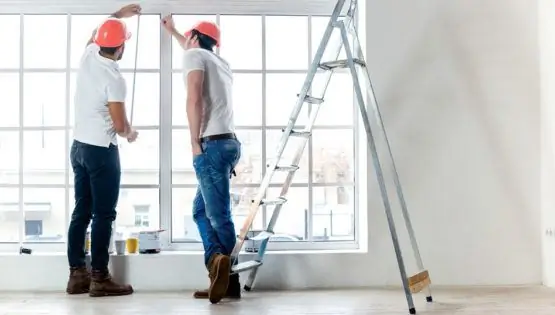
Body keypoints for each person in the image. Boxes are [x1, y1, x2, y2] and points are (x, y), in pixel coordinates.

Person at [162, 15, 242, 304]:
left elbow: (193, 98)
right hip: (230, 144)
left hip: (211, 145)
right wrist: (172, 32)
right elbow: (194, 48)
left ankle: (226, 277)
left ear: (194, 38)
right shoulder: (220, 62)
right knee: (200, 211)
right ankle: (218, 265)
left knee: (219, 216)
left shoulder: (194, 56)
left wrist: (194, 142)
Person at [65, 4, 141, 297]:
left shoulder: (88, 56)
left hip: (79, 147)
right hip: (101, 151)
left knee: (80, 212)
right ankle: (99, 278)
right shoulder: (115, 78)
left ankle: (76, 276)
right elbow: (120, 126)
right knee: (103, 215)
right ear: (120, 49)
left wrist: (118, 15)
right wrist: (130, 133)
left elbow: (93, 37)